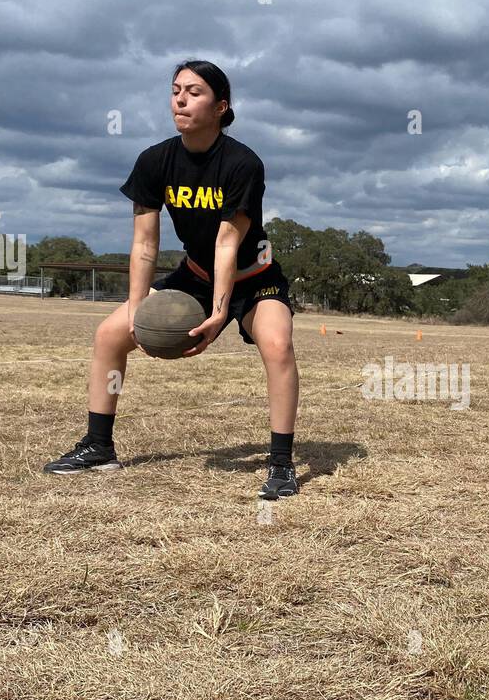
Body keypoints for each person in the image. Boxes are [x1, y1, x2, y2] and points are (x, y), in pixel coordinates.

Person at [43, 60, 301, 499]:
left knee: (277, 345)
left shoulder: (242, 164)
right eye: (176, 90)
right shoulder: (155, 161)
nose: (181, 99)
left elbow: (226, 243)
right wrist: (136, 308)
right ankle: (99, 446)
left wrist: (221, 314)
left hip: (254, 276)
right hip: (197, 273)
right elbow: (145, 244)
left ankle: (281, 465)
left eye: (195, 92)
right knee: (109, 335)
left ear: (221, 106)